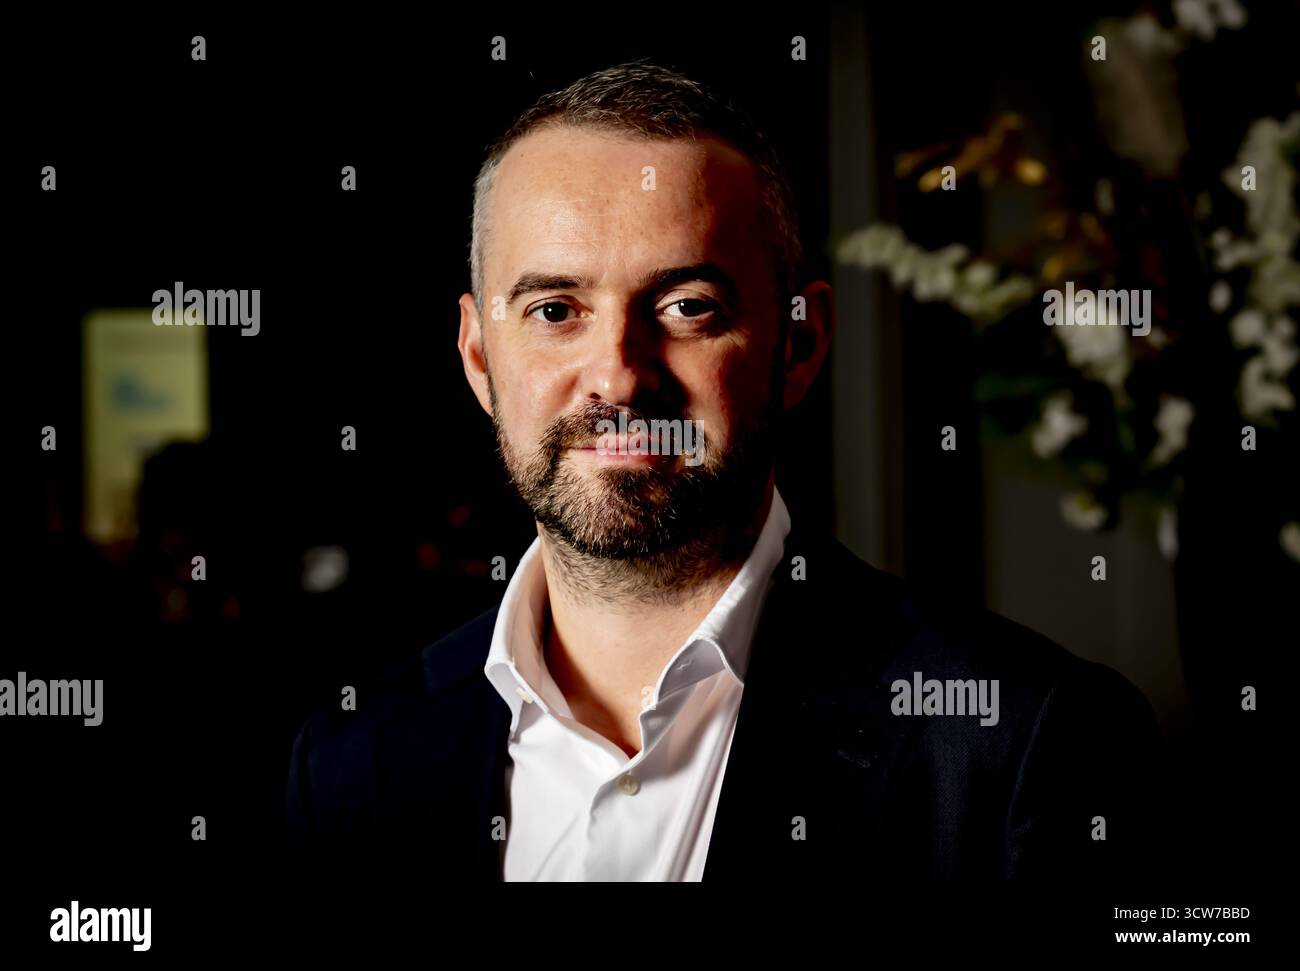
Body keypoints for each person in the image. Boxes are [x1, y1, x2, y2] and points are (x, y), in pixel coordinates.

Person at [285, 60, 1166, 884]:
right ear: (480, 358)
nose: (621, 374)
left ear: (800, 343)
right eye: (556, 309)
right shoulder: (355, 757)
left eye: (686, 307)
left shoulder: (1026, 741)